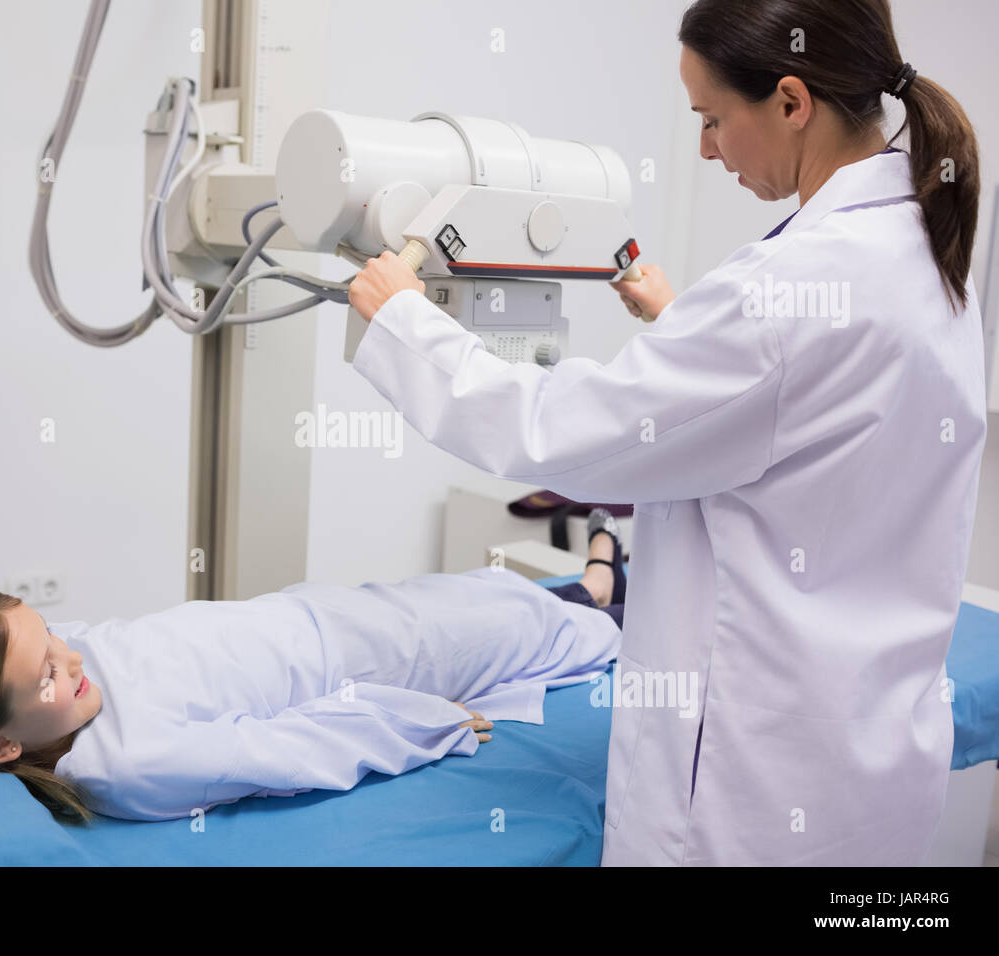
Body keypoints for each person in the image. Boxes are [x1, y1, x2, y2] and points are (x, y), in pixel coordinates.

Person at [347, 0, 985, 865]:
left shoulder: (786, 291)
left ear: (792, 102)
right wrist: (686, 324)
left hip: (748, 794)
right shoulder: (925, 249)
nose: (705, 149)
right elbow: (810, 420)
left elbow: (564, 436)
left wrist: (408, 328)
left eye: (712, 119)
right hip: (869, 769)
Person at [0, 545, 623, 824]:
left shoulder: (62, 682)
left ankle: (591, 578)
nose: (74, 657)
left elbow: (39, 651)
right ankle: (602, 590)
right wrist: (428, 727)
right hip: (370, 663)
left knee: (476, 592)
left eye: (54, 634)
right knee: (547, 635)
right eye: (49, 670)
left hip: (314, 611)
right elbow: (286, 750)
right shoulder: (123, 763)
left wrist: (42, 657)